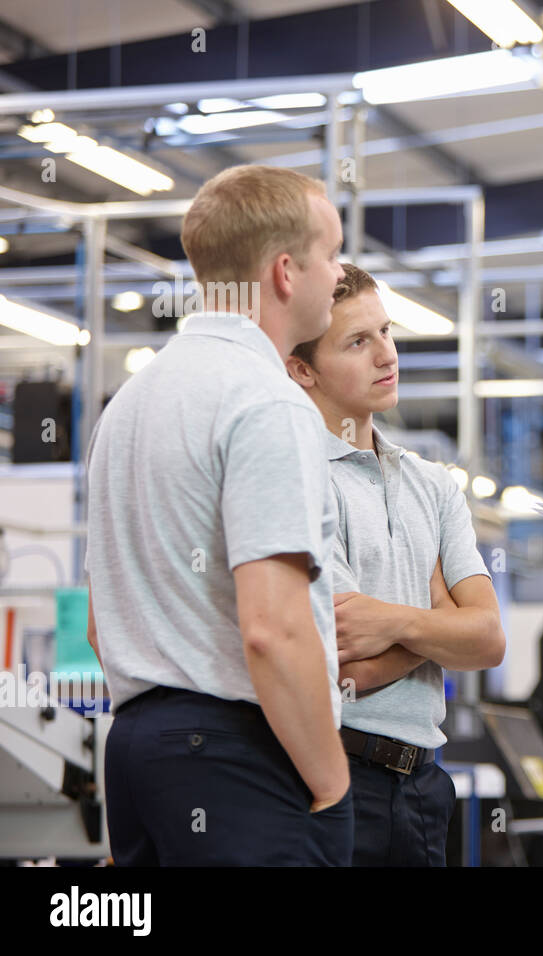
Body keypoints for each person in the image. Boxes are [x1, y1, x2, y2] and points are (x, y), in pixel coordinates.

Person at [85, 164, 352, 865]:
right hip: (240, 757)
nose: (340, 273)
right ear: (286, 271)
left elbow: (98, 617)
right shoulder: (265, 401)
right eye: (332, 254)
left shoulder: (130, 404)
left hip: (137, 753)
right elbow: (271, 628)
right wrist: (331, 779)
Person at [286, 263, 505, 866]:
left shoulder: (432, 485)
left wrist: (396, 622)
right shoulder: (299, 479)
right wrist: (437, 622)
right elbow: (342, 662)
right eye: (358, 342)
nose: (386, 354)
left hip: (425, 785)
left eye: (386, 331)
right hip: (335, 777)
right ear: (302, 368)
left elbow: (488, 639)